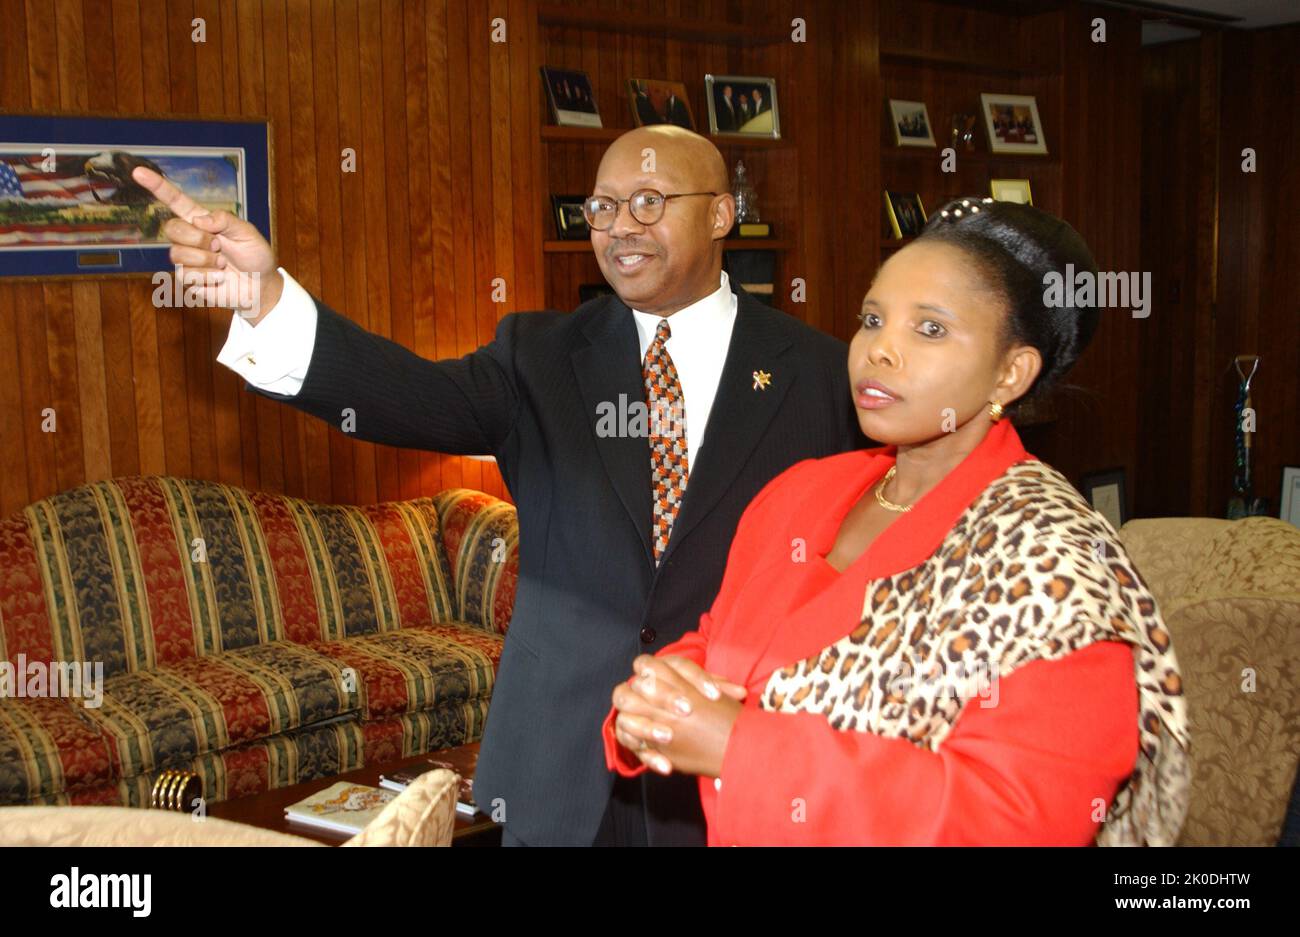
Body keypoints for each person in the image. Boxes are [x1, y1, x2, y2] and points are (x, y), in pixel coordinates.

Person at [132, 124, 862, 846]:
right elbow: (404, 392)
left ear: (721, 212)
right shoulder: (538, 356)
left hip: (729, 768)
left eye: (648, 201)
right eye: (602, 208)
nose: (620, 228)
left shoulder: (823, 375)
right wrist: (265, 299)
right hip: (558, 762)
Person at [603, 197, 1191, 846]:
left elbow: (1017, 821)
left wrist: (738, 746)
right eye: (873, 319)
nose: (880, 349)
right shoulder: (801, 491)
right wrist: (659, 698)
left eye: (930, 329)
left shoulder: (1053, 560)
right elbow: (720, 643)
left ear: (1011, 371)